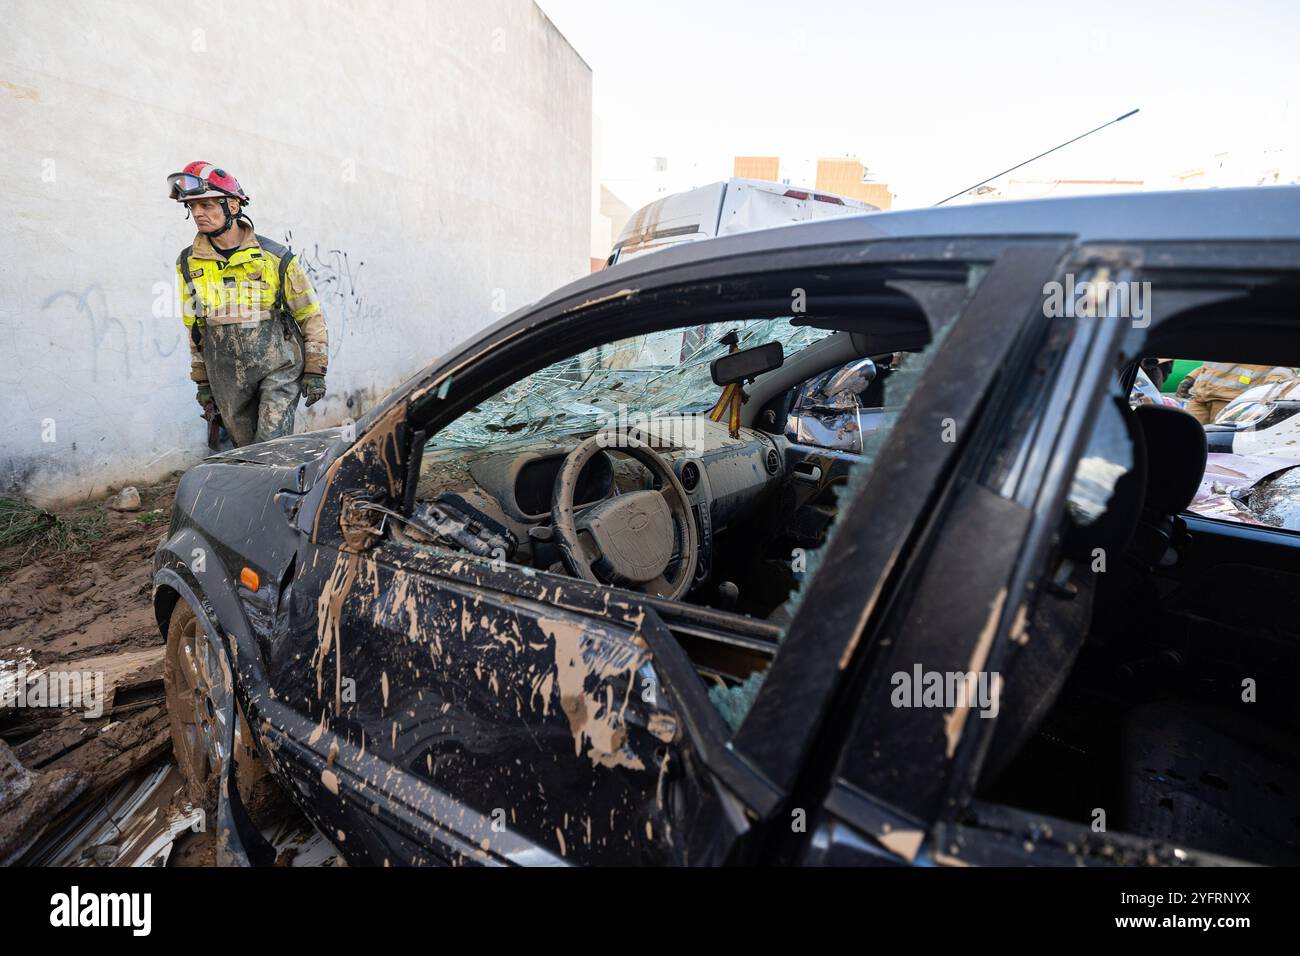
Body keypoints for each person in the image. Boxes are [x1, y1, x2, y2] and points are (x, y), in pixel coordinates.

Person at [167, 161, 328, 447]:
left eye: (206, 205)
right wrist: (202, 381)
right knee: (247, 449)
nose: (198, 214)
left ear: (232, 206)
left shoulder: (275, 257)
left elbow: (309, 313)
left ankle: (278, 489)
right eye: (192, 208)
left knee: (271, 444)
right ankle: (259, 491)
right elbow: (194, 326)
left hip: (279, 367)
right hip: (226, 375)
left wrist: (316, 369)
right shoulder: (188, 263)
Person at [1177, 362, 1295, 424]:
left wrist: (1271, 387)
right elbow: (1211, 363)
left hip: (1230, 401)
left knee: (1217, 445)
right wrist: (1192, 377)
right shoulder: (1228, 332)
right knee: (1186, 436)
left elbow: (1285, 368)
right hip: (1200, 397)